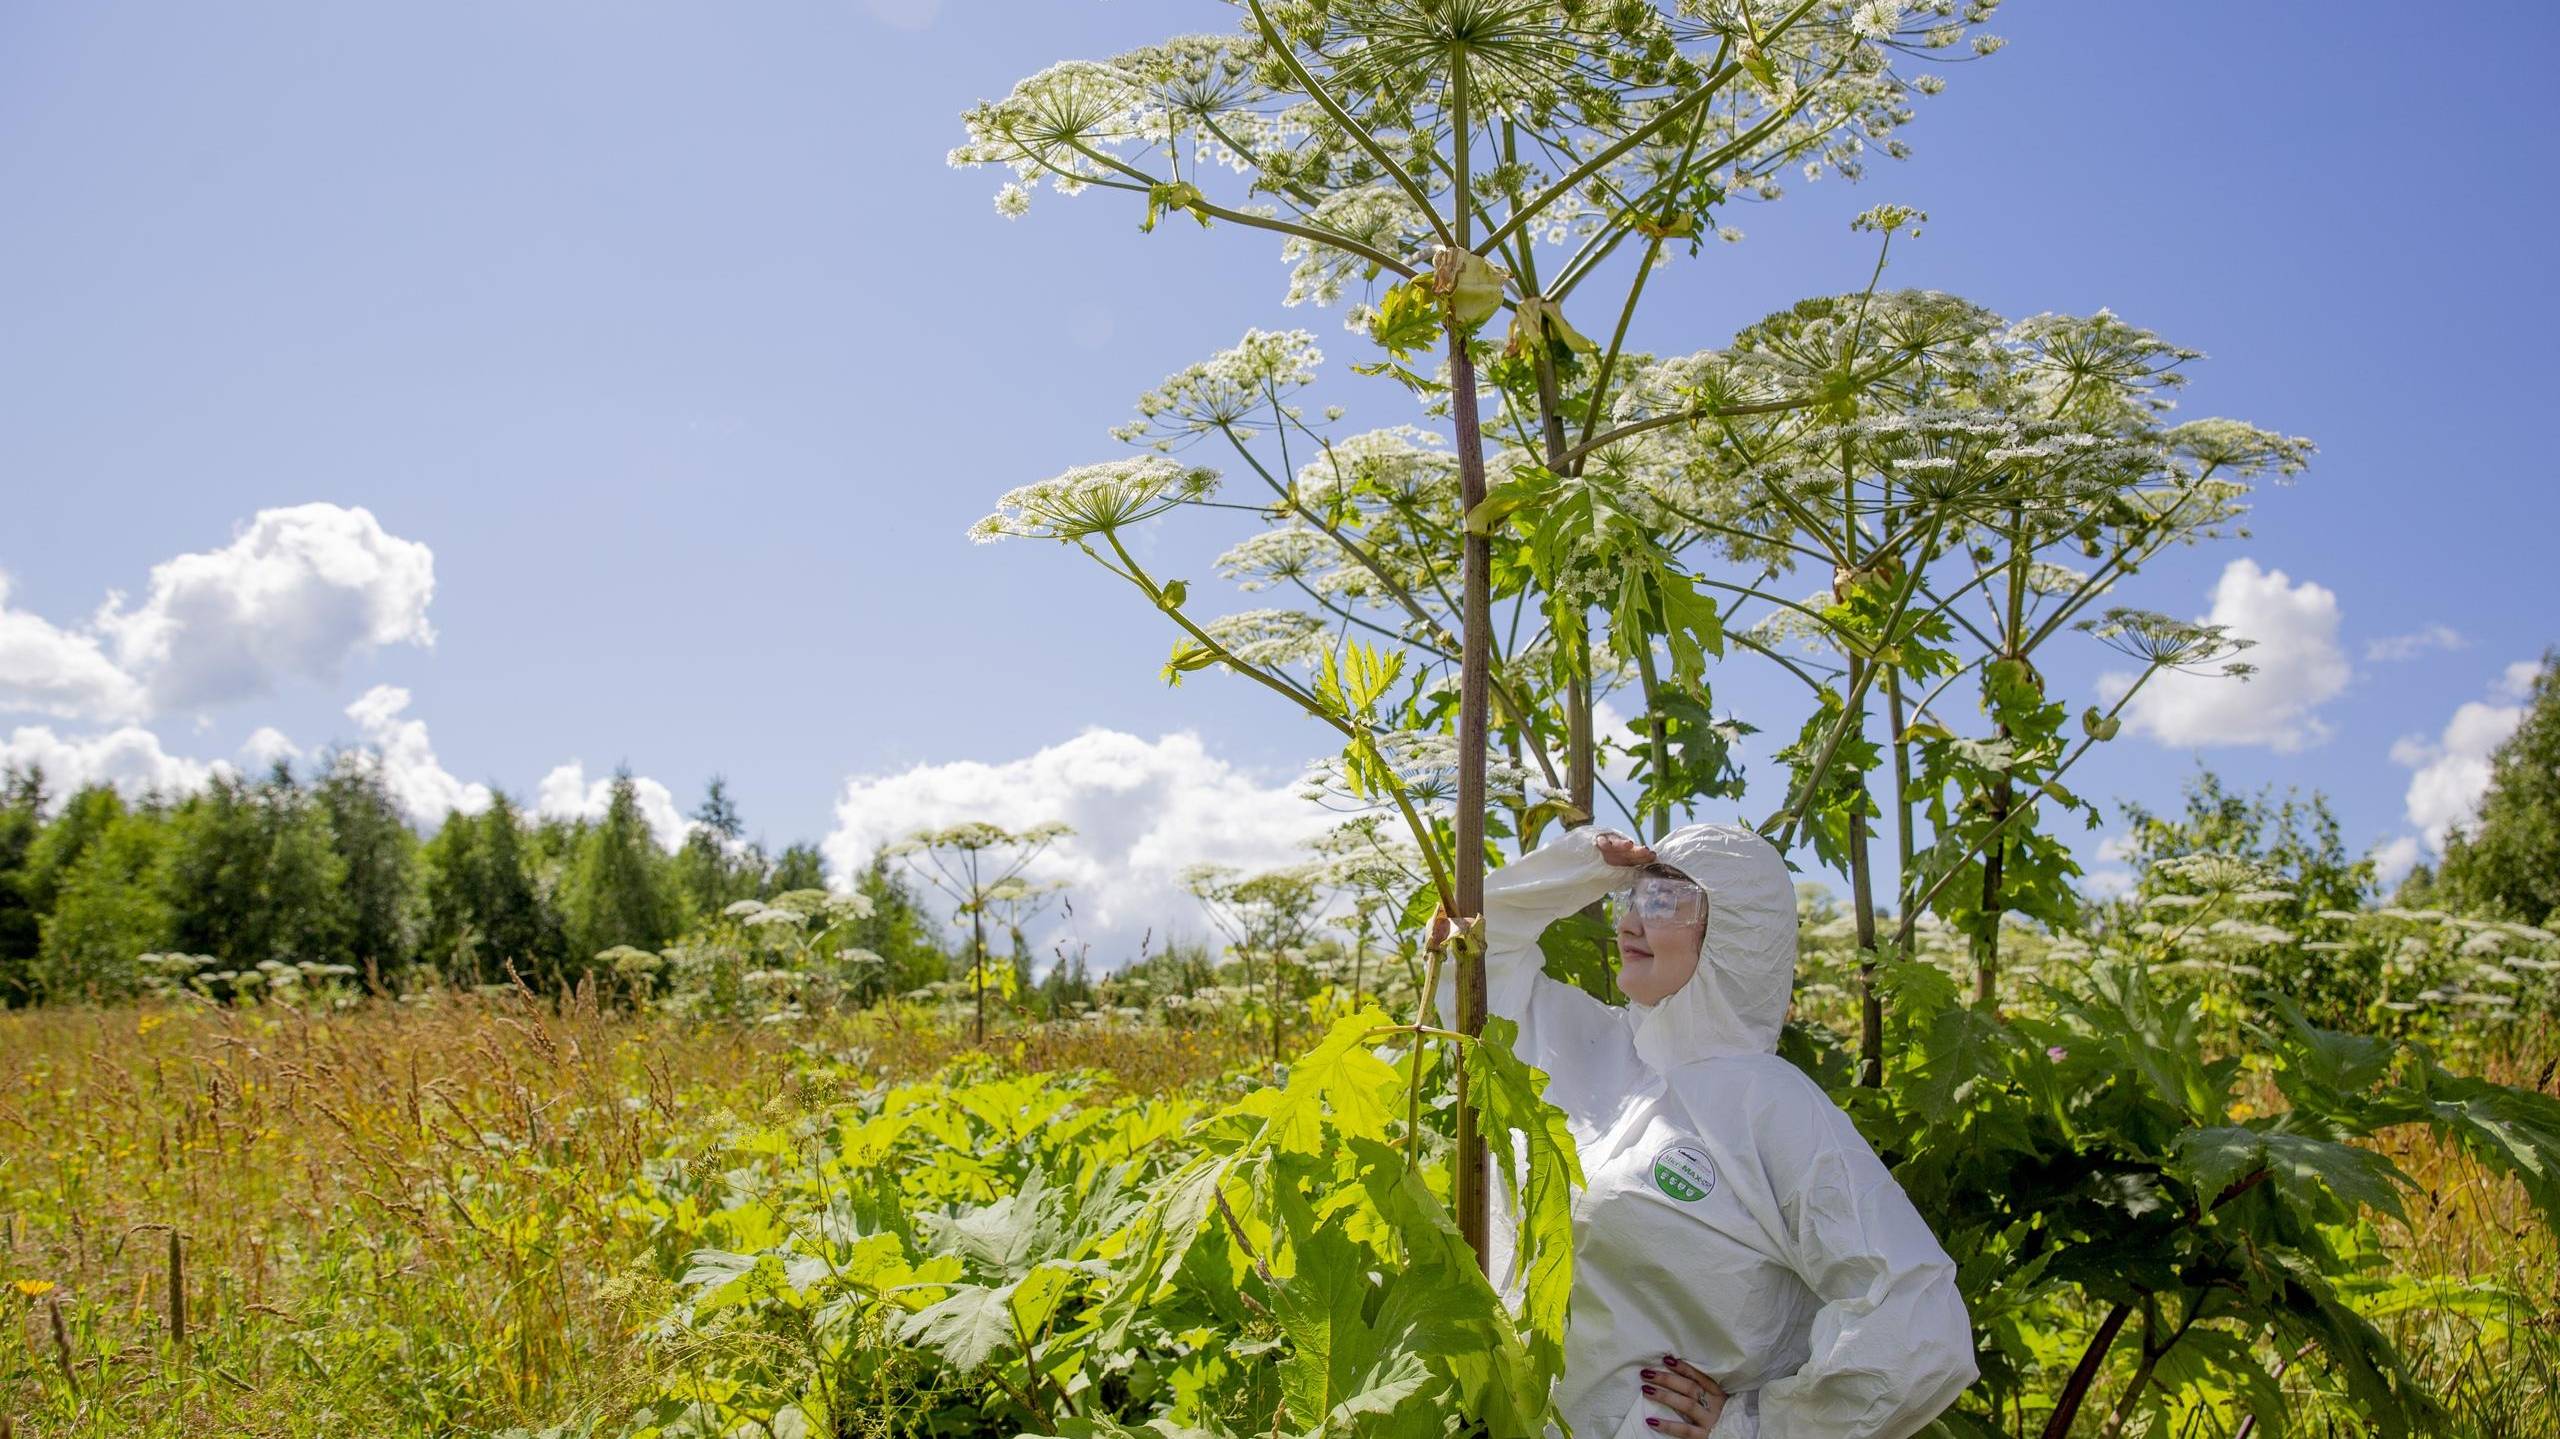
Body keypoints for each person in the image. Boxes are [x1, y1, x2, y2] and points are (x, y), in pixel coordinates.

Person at [1439, 822, 1977, 1439]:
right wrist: (1583, 867)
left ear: (1735, 933)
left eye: (1664, 901)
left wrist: (1757, 1428)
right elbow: (1474, 962)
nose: (1630, 925)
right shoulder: (1586, 1048)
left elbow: (1918, 1323)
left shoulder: (1768, 1105)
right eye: (1631, 899)